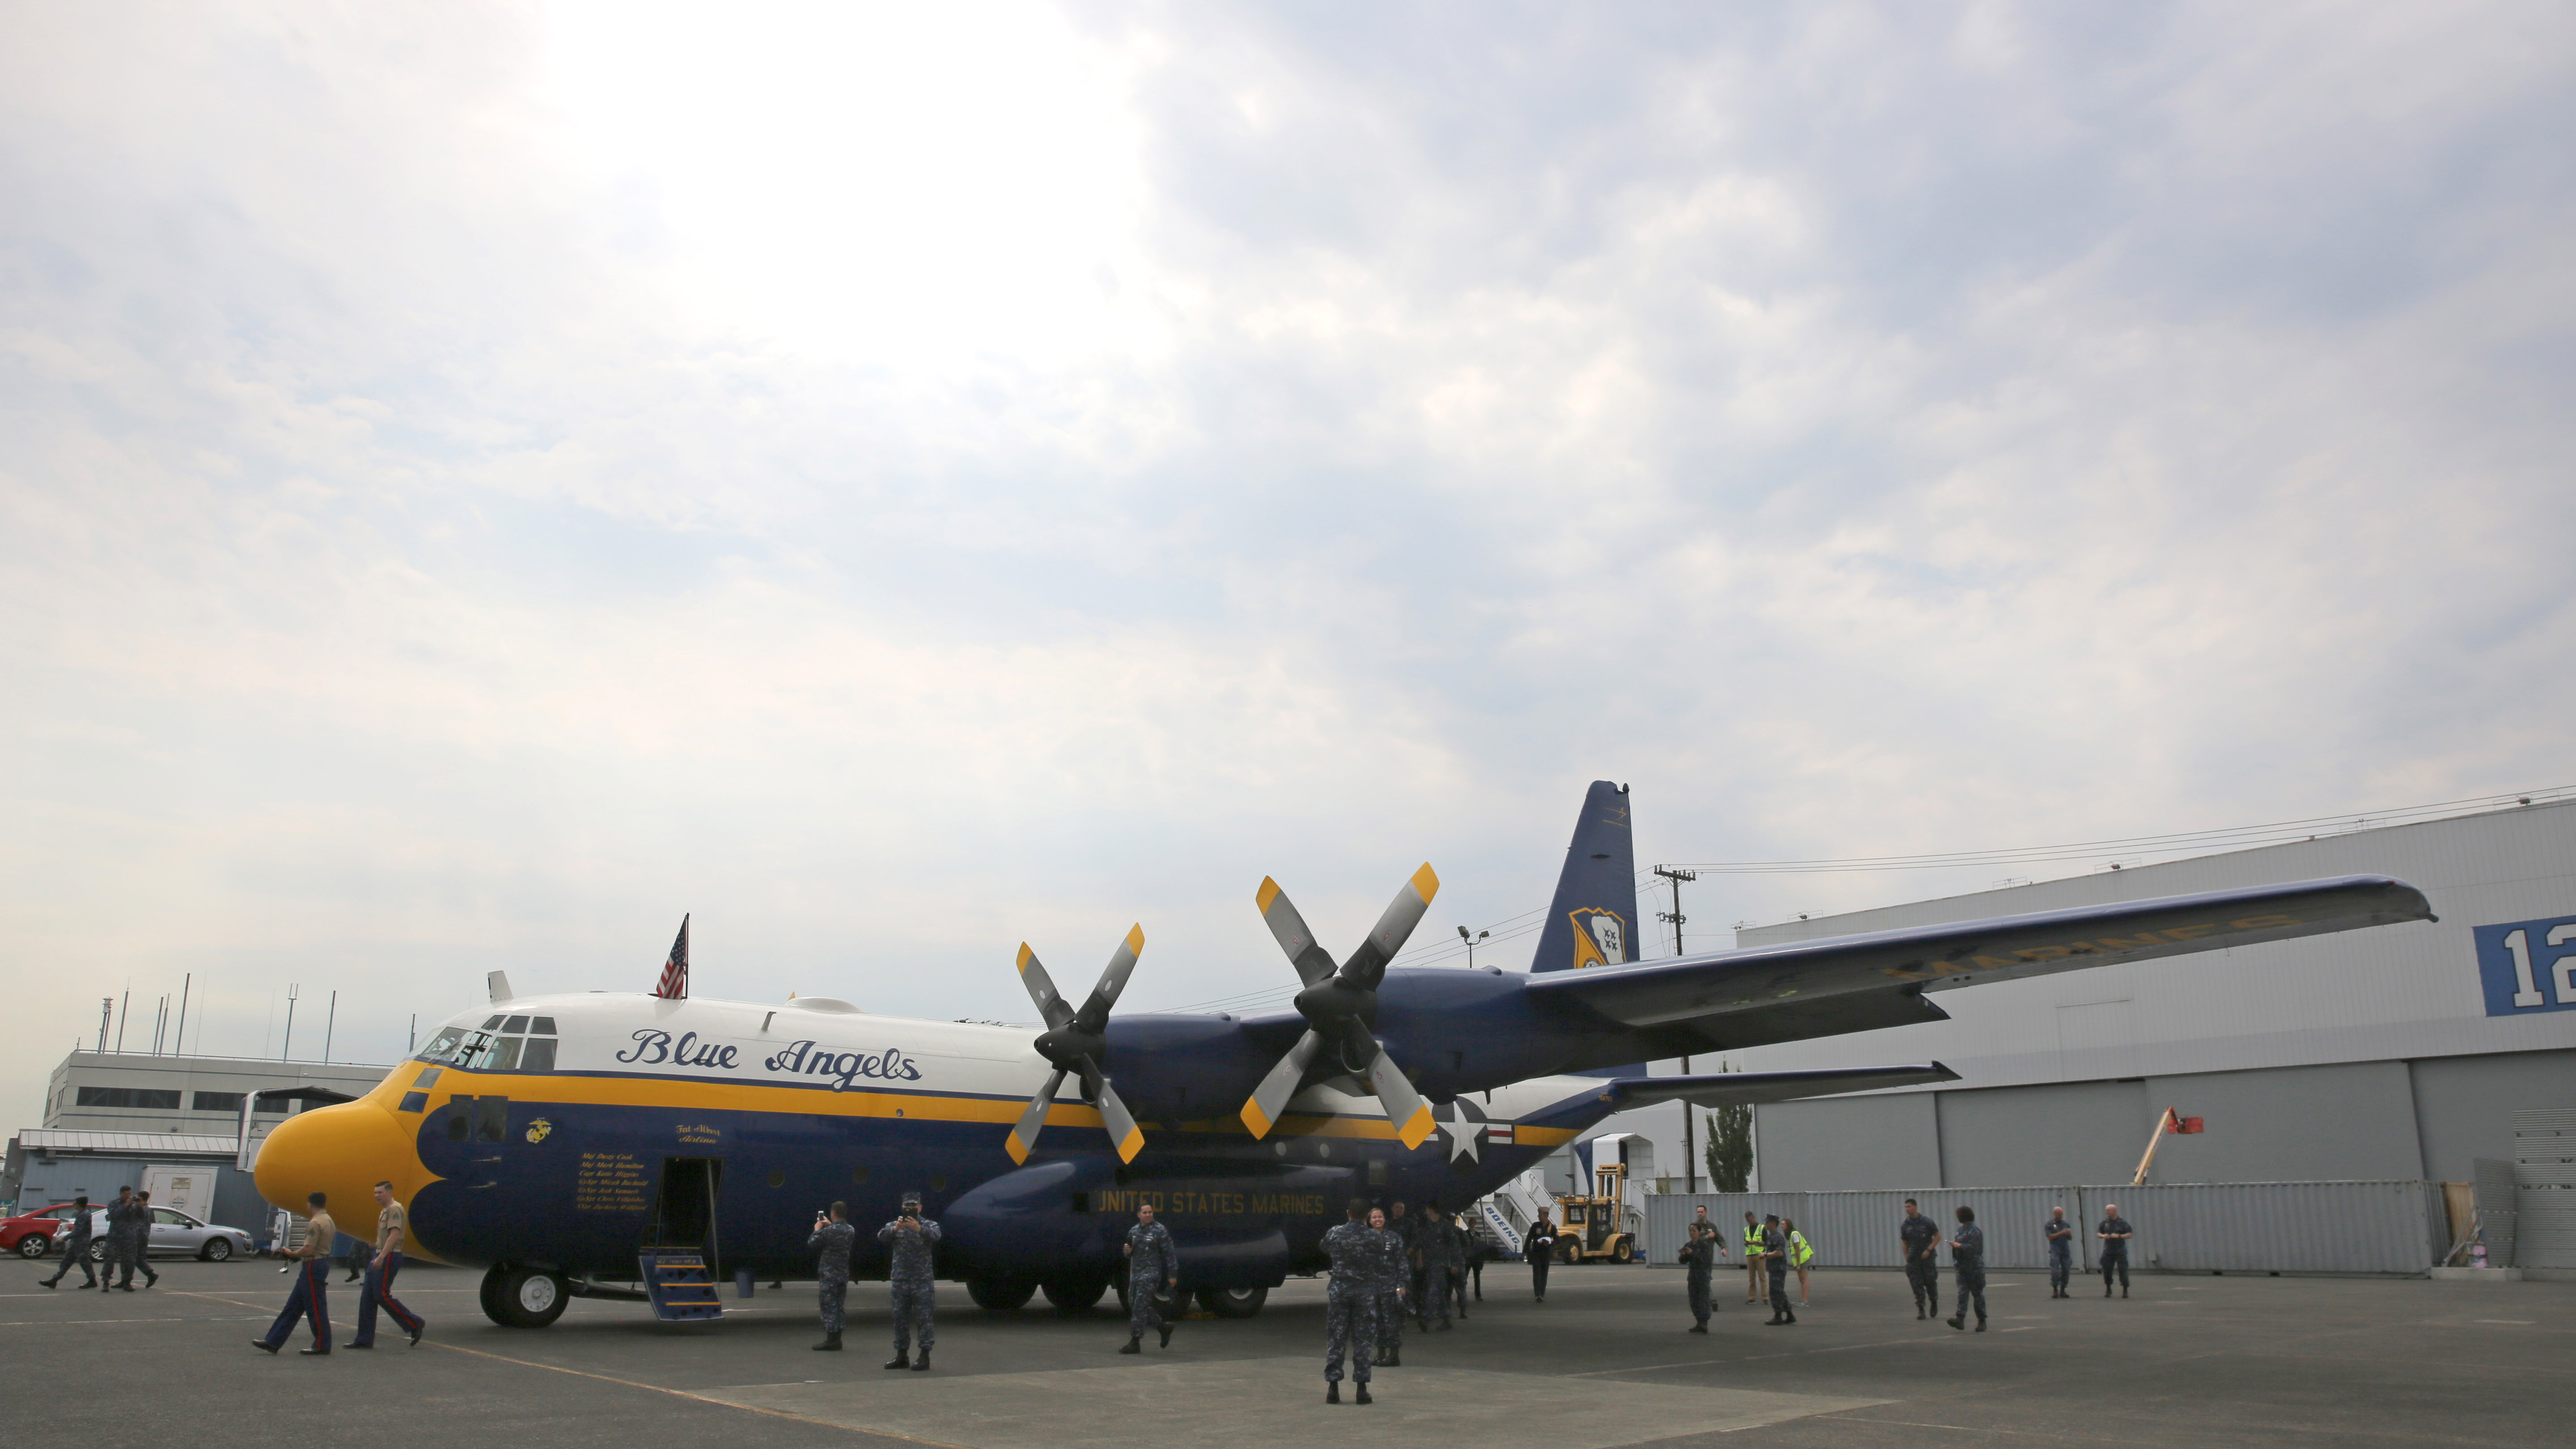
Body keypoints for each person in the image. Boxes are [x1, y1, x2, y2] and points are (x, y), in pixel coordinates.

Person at [251, 1191, 336, 1356]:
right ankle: (273, 1341)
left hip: (313, 1265)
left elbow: (309, 1249)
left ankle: (322, 1344)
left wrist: (291, 1254)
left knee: (316, 1307)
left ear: (310, 1205)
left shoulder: (315, 1223)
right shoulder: (329, 1220)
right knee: (293, 1306)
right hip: (320, 1262)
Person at [350, 1181, 424, 1349]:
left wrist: (381, 1256)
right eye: (375, 1193)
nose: (377, 1196)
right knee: (368, 1297)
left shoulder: (394, 1209)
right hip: (380, 1253)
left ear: (390, 1193)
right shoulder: (385, 1210)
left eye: (380, 1193)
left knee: (381, 1295)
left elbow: (395, 1234)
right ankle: (364, 1339)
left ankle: (414, 1323)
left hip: (389, 1256)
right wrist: (375, 1245)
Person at [1320, 1198, 1378, 1404]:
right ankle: (1362, 1389)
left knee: (1337, 1338)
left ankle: (1333, 1388)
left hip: (1340, 1292)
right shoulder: (1374, 1237)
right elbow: (1379, 1256)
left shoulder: (1335, 1233)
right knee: (1362, 1340)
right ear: (1367, 1216)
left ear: (1348, 1213)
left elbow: (1324, 1248)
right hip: (1364, 1293)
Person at [878, 1191, 940, 1370]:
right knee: (900, 1318)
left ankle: (924, 1355)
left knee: (924, 1318)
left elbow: (937, 1236)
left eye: (914, 1207)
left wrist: (919, 1229)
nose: (911, 1210)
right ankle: (902, 1355)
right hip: (900, 1280)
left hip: (922, 1280)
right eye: (907, 1207)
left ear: (920, 1208)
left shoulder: (929, 1225)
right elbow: (881, 1236)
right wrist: (895, 1229)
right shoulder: (895, 1225)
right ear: (902, 1208)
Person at [1120, 1200, 1180, 1353]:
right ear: (1139, 1215)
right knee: (1135, 1305)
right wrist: (1127, 1252)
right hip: (1136, 1274)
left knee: (1140, 1305)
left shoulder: (1160, 1230)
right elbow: (1129, 1254)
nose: (1148, 1215)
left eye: (1150, 1212)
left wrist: (1173, 1275)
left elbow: (1170, 1253)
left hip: (1151, 1274)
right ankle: (1163, 1327)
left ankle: (1135, 1342)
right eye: (1145, 1213)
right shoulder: (1134, 1231)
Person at [809, 1200, 856, 1351]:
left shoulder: (828, 1232)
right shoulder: (850, 1230)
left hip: (829, 1274)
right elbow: (838, 1234)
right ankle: (838, 1338)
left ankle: (831, 1340)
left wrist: (817, 1229)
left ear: (833, 1213)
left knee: (828, 1305)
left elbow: (812, 1243)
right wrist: (831, 1226)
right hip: (843, 1273)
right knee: (839, 1305)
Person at [1371, 1207, 1409, 1366]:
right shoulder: (1366, 1238)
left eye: (1380, 1217)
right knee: (1377, 1321)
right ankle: (1380, 1354)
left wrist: (1402, 1285)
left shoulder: (1394, 1238)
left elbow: (1402, 1262)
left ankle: (1394, 1356)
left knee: (1391, 1322)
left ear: (1385, 1219)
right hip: (1373, 1288)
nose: (1378, 1220)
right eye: (1374, 1218)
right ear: (1369, 1220)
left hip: (1390, 1286)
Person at [38, 1195, 96, 1289]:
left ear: (79, 1205)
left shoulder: (85, 1215)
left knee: (85, 1263)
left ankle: (92, 1281)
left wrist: (64, 1239)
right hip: (76, 1243)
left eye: (75, 1204)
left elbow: (78, 1231)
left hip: (81, 1244)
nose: (74, 1205)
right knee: (66, 1262)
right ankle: (54, 1280)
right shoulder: (81, 1214)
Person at [1945, 1206, 1987, 1332]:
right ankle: (1960, 1319)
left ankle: (1982, 1321)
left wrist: (1959, 1245)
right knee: (1962, 1294)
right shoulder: (1960, 1230)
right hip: (1962, 1267)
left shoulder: (1974, 1231)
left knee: (1977, 1295)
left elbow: (1975, 1249)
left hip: (1974, 1268)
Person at [1415, 1205, 1457, 1330]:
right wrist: (1415, 1253)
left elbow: (1454, 1245)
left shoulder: (1445, 1226)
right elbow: (1421, 1242)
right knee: (1438, 1292)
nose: (1426, 1212)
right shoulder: (1427, 1226)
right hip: (1429, 1264)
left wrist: (1455, 1264)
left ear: (1432, 1211)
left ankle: (1426, 1320)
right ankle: (1447, 1320)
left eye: (1427, 1210)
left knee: (1433, 1291)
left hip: (1441, 1264)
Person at [1899, 1198, 1941, 1320]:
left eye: (1909, 1207)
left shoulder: (1927, 1222)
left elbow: (1938, 1237)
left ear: (1915, 1207)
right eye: (1906, 1207)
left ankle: (1934, 1301)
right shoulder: (1905, 1225)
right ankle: (1921, 1309)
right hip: (1914, 1259)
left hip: (1927, 1259)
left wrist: (1929, 1249)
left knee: (1931, 1282)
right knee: (1916, 1285)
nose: (1907, 1209)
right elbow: (1905, 1243)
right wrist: (1907, 1259)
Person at [1680, 1210, 1720, 1332]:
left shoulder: (1703, 1245)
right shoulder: (1688, 1245)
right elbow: (1682, 1261)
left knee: (1703, 1299)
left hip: (1702, 1276)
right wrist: (1684, 1255)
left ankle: (1704, 1323)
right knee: (1694, 1300)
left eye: (1694, 1231)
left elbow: (1705, 1260)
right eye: (1690, 1231)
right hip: (1693, 1276)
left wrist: (1693, 1254)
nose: (1692, 1233)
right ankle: (1698, 1321)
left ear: (1699, 1232)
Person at [101, 1186, 141, 1292]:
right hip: (115, 1237)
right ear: (121, 1194)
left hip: (129, 1237)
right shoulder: (114, 1204)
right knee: (109, 1260)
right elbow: (114, 1215)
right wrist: (126, 1205)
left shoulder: (134, 1205)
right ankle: (106, 1282)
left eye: (130, 1194)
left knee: (129, 1261)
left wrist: (141, 1206)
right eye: (126, 1194)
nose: (129, 1196)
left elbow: (141, 1217)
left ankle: (127, 1283)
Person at [1759, 1214, 1796, 1325]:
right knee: (1779, 1292)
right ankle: (1789, 1314)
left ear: (1774, 1224)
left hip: (1778, 1268)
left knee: (1775, 1292)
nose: (1766, 1224)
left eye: (1768, 1222)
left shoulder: (1778, 1237)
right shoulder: (1771, 1236)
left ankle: (1778, 1315)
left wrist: (1765, 1255)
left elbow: (1779, 1253)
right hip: (1774, 1268)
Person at [124, 1189, 161, 1289]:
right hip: (142, 1235)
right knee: (138, 1259)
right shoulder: (146, 1208)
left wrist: (132, 1205)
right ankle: (150, 1274)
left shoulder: (144, 1209)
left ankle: (150, 1274)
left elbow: (132, 1214)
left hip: (139, 1236)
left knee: (134, 1259)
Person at [2097, 1203, 2134, 1299]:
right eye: (2106, 1211)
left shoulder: (2122, 1222)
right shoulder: (2105, 1223)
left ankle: (2125, 1290)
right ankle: (2108, 1288)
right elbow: (2099, 1233)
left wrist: (2120, 1236)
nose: (2107, 1212)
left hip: (2120, 1251)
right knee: (2107, 1271)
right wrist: (2103, 1236)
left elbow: (2130, 1234)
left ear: (2114, 1211)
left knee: (2123, 1271)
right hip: (2108, 1251)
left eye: (2108, 1211)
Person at [1523, 1212, 1556, 1303]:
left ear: (1545, 1216)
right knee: (1537, 1274)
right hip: (1536, 1253)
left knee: (1544, 1275)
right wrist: (1525, 1251)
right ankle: (1537, 1295)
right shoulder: (1535, 1226)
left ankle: (1542, 1294)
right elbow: (1529, 1238)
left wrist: (1550, 1243)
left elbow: (1558, 1240)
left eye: (1540, 1215)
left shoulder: (1552, 1227)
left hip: (1546, 1254)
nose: (1538, 1216)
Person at [2045, 1206, 2075, 1298]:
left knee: (2066, 1269)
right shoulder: (2049, 1224)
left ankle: (2063, 1289)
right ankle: (2055, 1289)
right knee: (2055, 1270)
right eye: (2058, 1214)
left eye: (2061, 1214)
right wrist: (2061, 1233)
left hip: (2065, 1250)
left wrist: (2068, 1234)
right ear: (2055, 1214)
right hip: (2055, 1250)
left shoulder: (2066, 1224)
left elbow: (2070, 1238)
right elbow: (2050, 1237)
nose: (2060, 1216)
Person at [1784, 1216, 1813, 1306]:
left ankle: (1805, 1300)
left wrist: (1799, 1264)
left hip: (1803, 1259)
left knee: (1804, 1279)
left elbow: (1797, 1249)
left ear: (1788, 1225)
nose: (1781, 1226)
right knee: (1802, 1280)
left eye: (1783, 1224)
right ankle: (1802, 1299)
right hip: (1800, 1260)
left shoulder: (1794, 1234)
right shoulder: (1790, 1236)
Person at [1742, 1211, 1766, 1303]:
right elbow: (1745, 1242)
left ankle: (1765, 1297)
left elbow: (1766, 1242)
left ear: (1754, 1217)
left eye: (1750, 1220)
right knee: (1752, 1279)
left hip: (1760, 1255)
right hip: (1750, 1255)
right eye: (1748, 1221)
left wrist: (1756, 1242)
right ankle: (1752, 1298)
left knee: (1762, 1277)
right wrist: (1747, 1244)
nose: (1749, 1222)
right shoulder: (1746, 1229)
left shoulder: (1762, 1228)